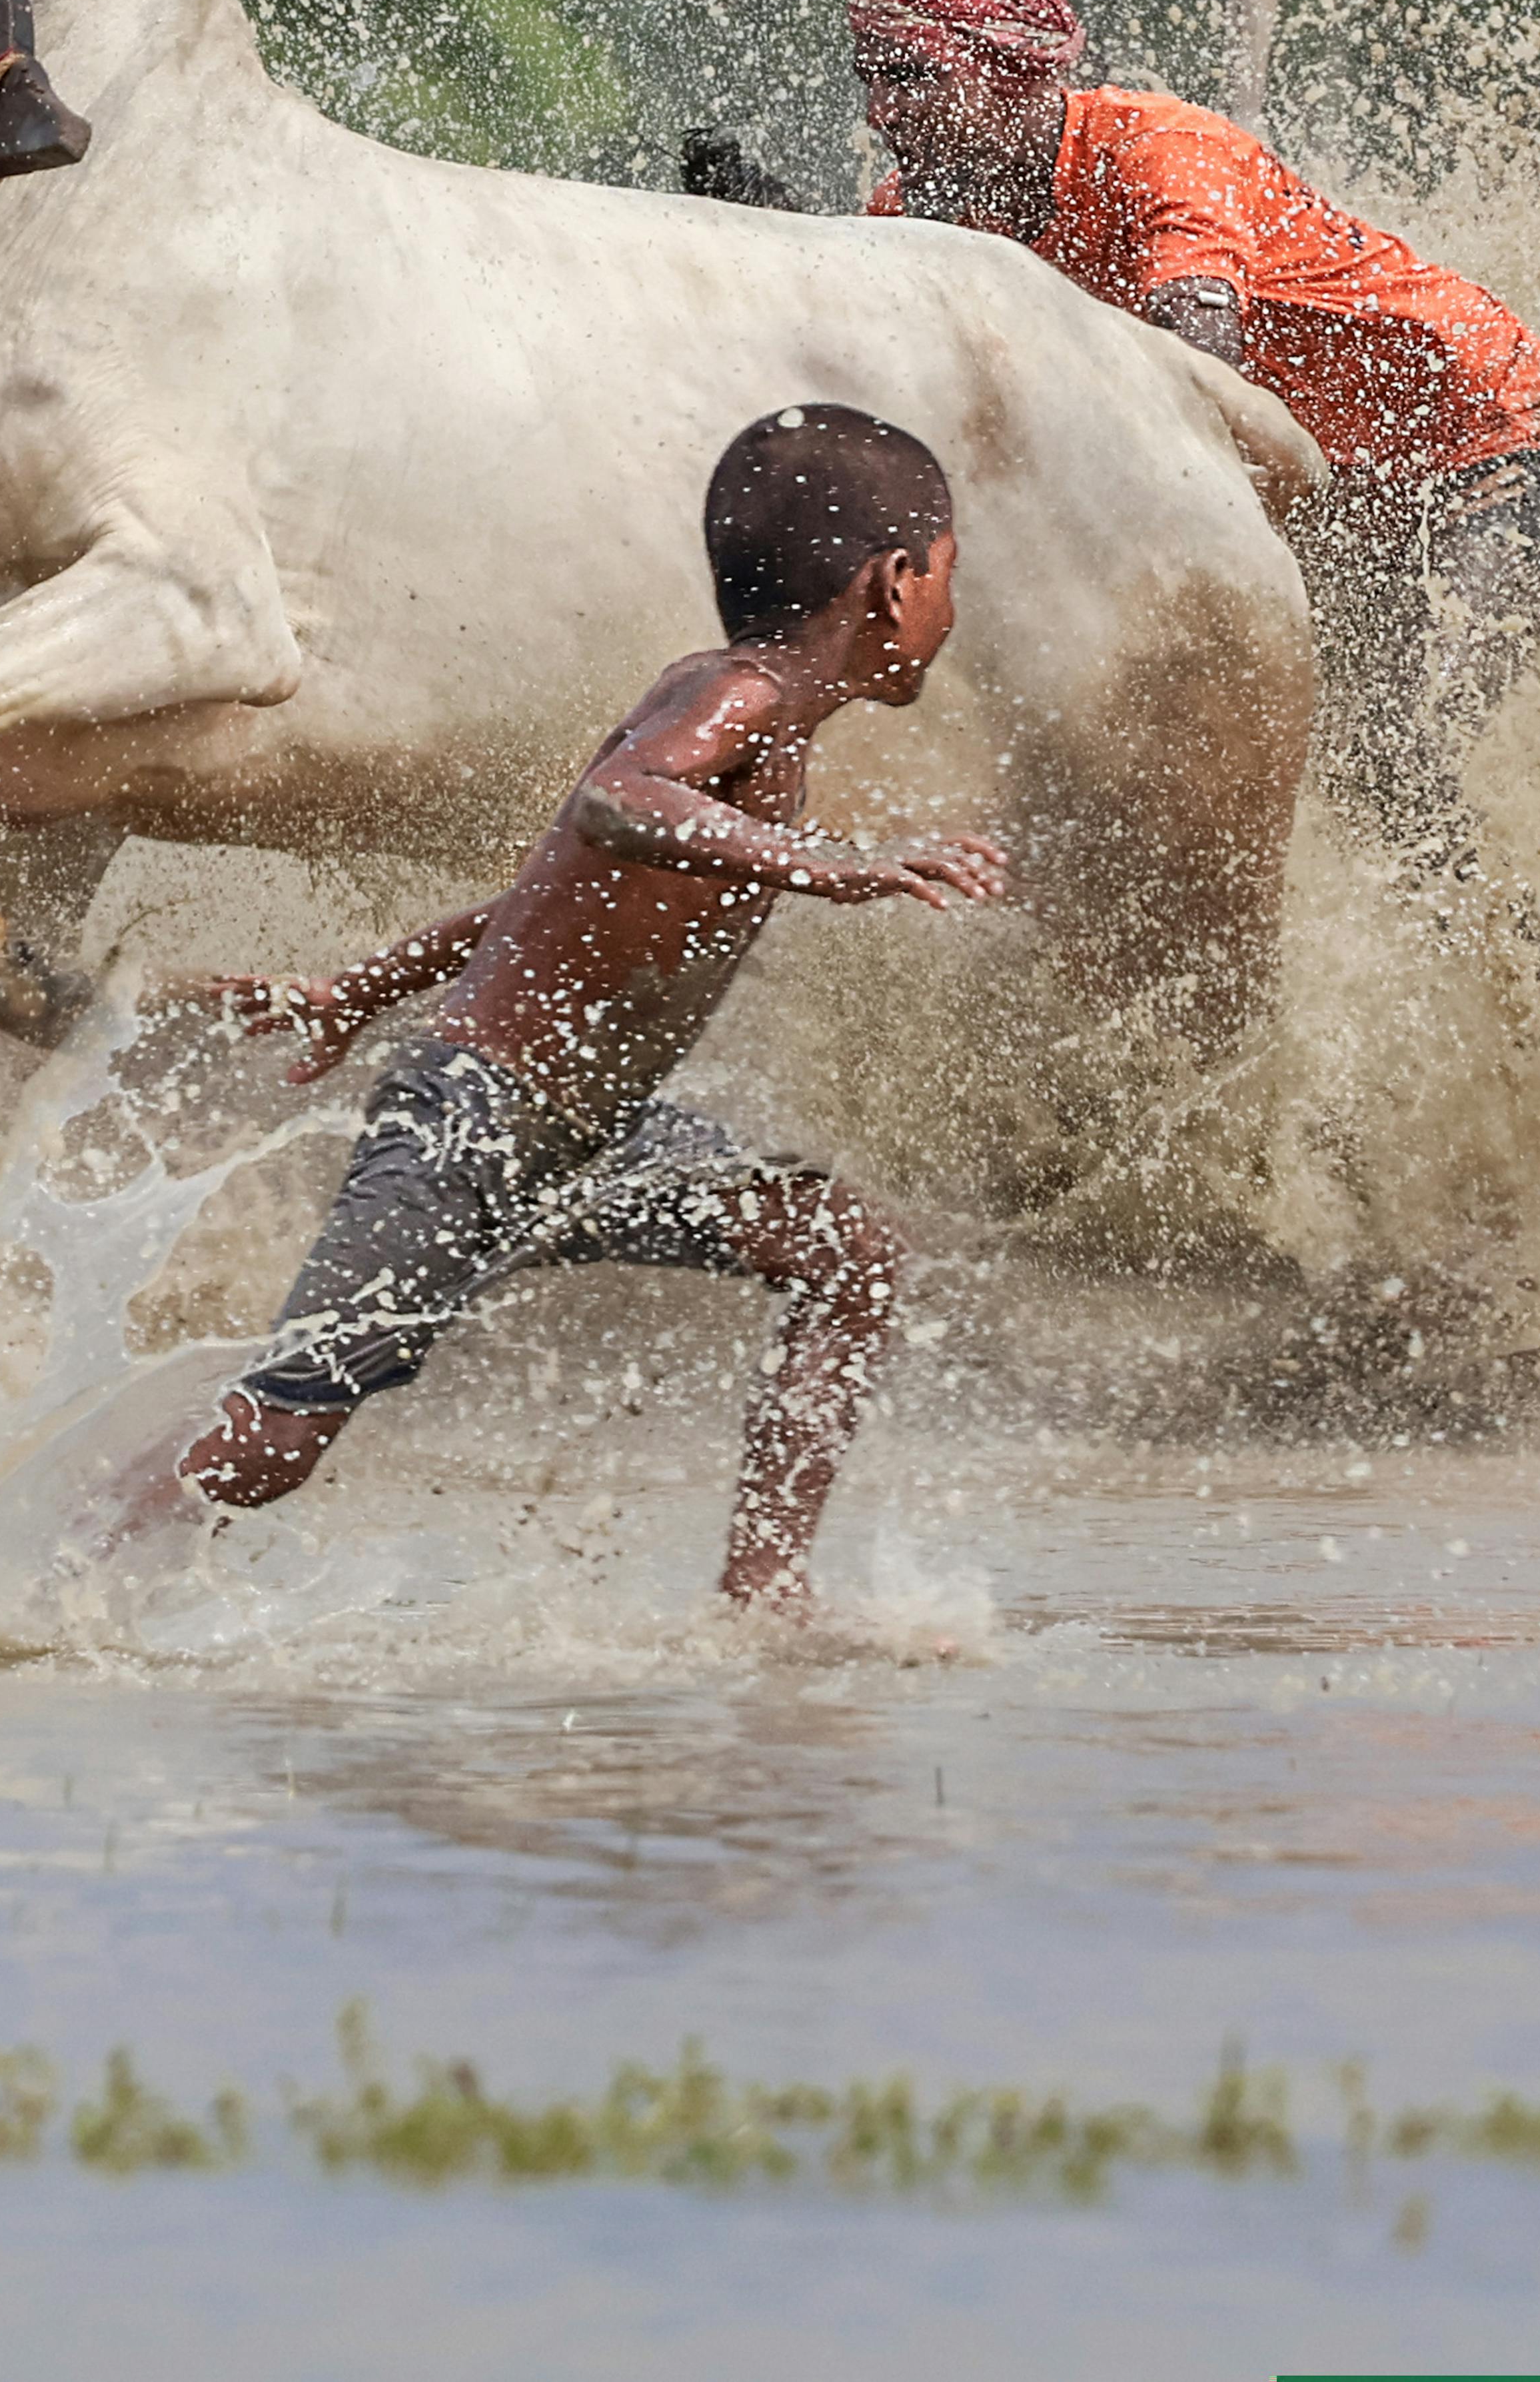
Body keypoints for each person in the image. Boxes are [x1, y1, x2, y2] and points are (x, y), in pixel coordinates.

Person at [139, 405, 974, 1614]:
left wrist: (356, 987)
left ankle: (765, 1595)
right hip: (475, 1124)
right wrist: (833, 866)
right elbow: (615, 801)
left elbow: (546, 886)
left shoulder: (766, 721)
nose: (953, 605)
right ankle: (37, 1562)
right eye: (952, 573)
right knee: (271, 1450)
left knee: (848, 1251)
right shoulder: (735, 695)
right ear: (894, 587)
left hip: (593, 1130)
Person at [848, 0, 1540, 897]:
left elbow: (1200, 369)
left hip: (1495, 448)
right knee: (1308, 760)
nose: (883, 110)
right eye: (870, 76)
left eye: (911, 74)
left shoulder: (1162, 148)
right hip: (1329, 495)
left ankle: (1526, 985)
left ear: (1017, 73)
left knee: (1393, 747)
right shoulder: (914, 217)